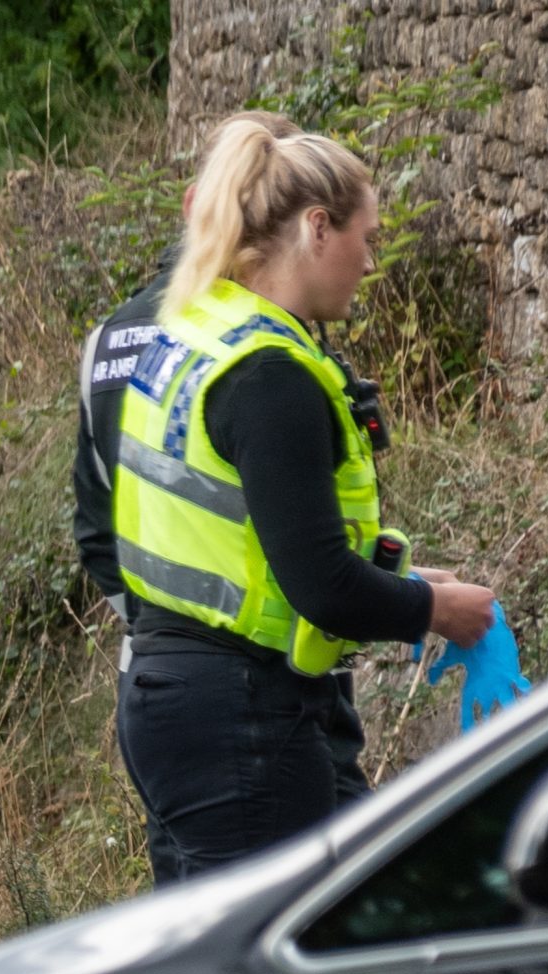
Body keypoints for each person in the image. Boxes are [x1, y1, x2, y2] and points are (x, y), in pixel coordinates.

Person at [110, 113, 496, 884]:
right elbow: (320, 586)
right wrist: (431, 611)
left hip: (169, 693)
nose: (370, 259)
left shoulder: (195, 333)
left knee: (223, 966)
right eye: (367, 235)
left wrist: (412, 580)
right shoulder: (271, 377)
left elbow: (250, 539)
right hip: (241, 719)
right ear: (318, 228)